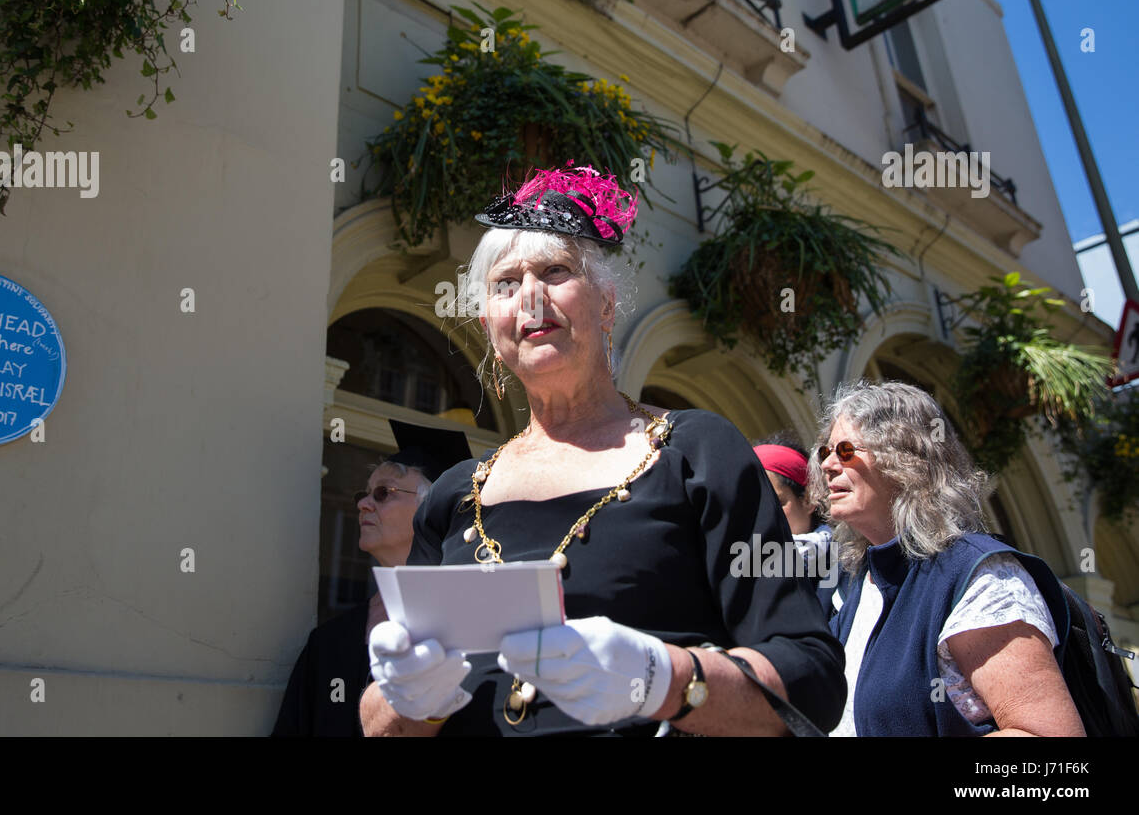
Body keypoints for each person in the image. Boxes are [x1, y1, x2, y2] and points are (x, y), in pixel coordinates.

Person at [360, 164, 845, 737]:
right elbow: (378, 725)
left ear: (607, 305)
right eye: (505, 284)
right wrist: (411, 697)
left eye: (556, 271)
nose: (530, 299)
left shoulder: (697, 451)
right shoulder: (452, 495)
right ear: (490, 323)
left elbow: (811, 676)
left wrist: (664, 678)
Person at [813, 380, 1085, 736]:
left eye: (846, 450)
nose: (828, 465)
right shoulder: (852, 582)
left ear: (905, 459)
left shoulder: (978, 574)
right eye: (825, 452)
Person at [272, 420, 471, 736]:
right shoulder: (329, 641)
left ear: (434, 508)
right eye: (363, 495)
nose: (363, 505)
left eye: (383, 493)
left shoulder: (472, 624)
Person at [754, 434, 841, 618]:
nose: (763, 516)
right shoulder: (739, 567)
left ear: (808, 500)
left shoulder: (842, 567)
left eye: (777, 503)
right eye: (752, 505)